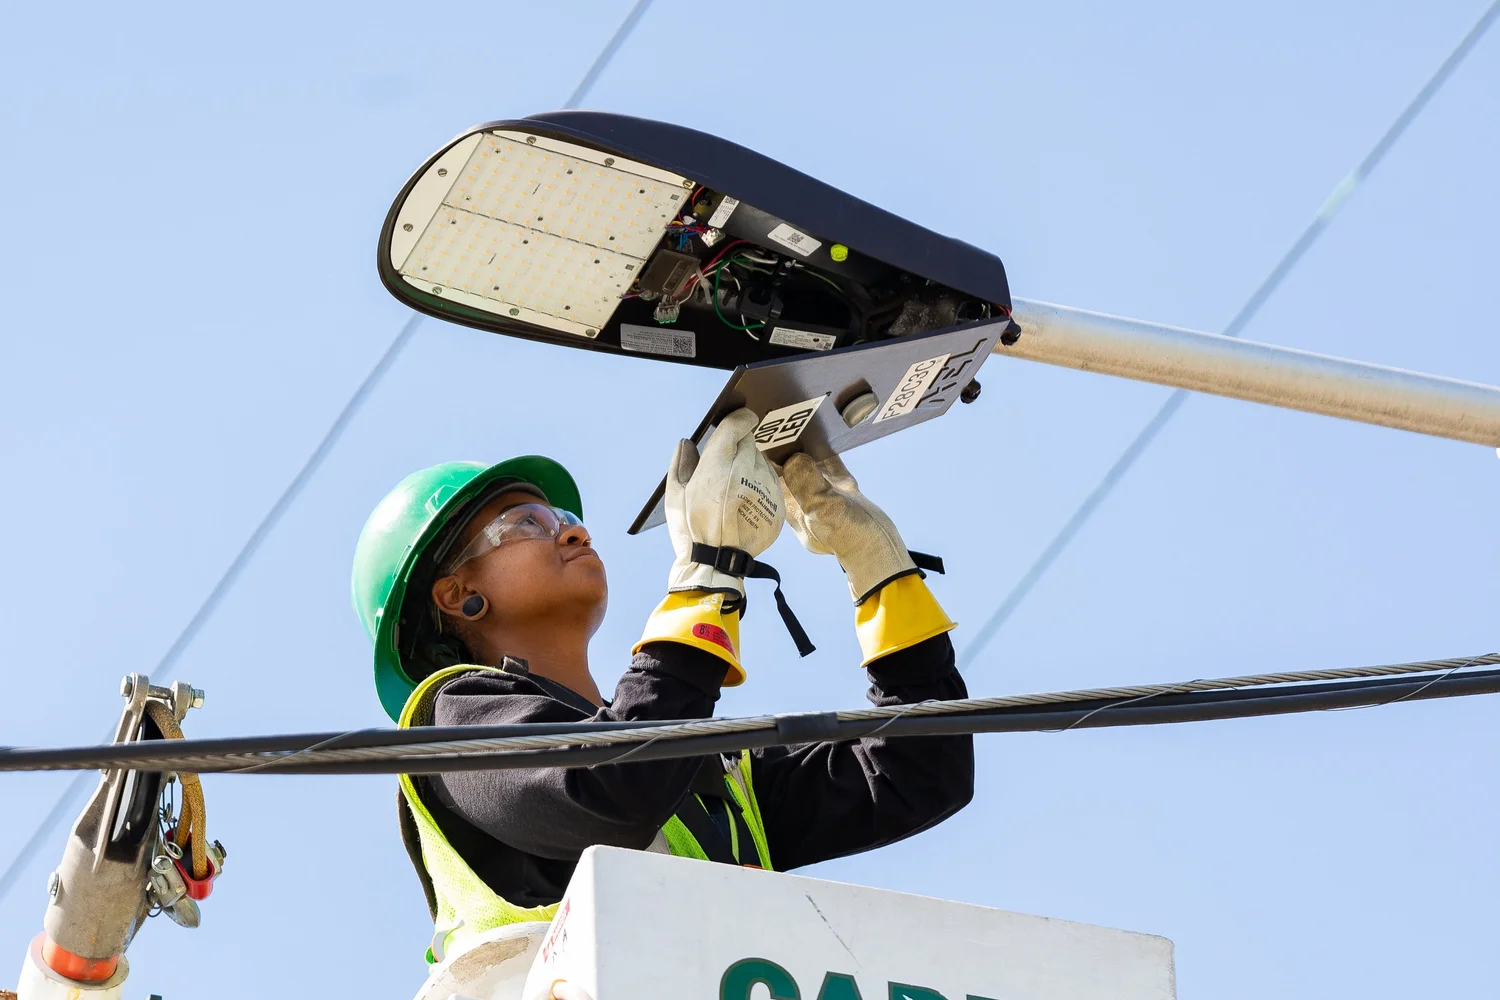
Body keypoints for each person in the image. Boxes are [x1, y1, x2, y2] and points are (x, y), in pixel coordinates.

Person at [351, 409, 973, 964]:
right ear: (458, 596)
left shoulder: (704, 774)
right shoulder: (448, 720)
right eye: (526, 524)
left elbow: (921, 770)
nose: (574, 532)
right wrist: (709, 576)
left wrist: (879, 567)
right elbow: (612, 791)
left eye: (565, 518)